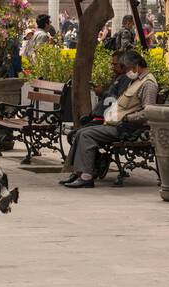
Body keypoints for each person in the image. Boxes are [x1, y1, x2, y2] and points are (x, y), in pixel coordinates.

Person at [61, 51, 158, 189]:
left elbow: (148, 112)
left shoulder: (148, 84)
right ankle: (79, 172)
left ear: (136, 66)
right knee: (82, 132)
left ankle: (86, 177)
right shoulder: (136, 81)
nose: (126, 72)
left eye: (127, 68)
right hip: (117, 124)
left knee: (87, 135)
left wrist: (127, 118)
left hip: (129, 128)